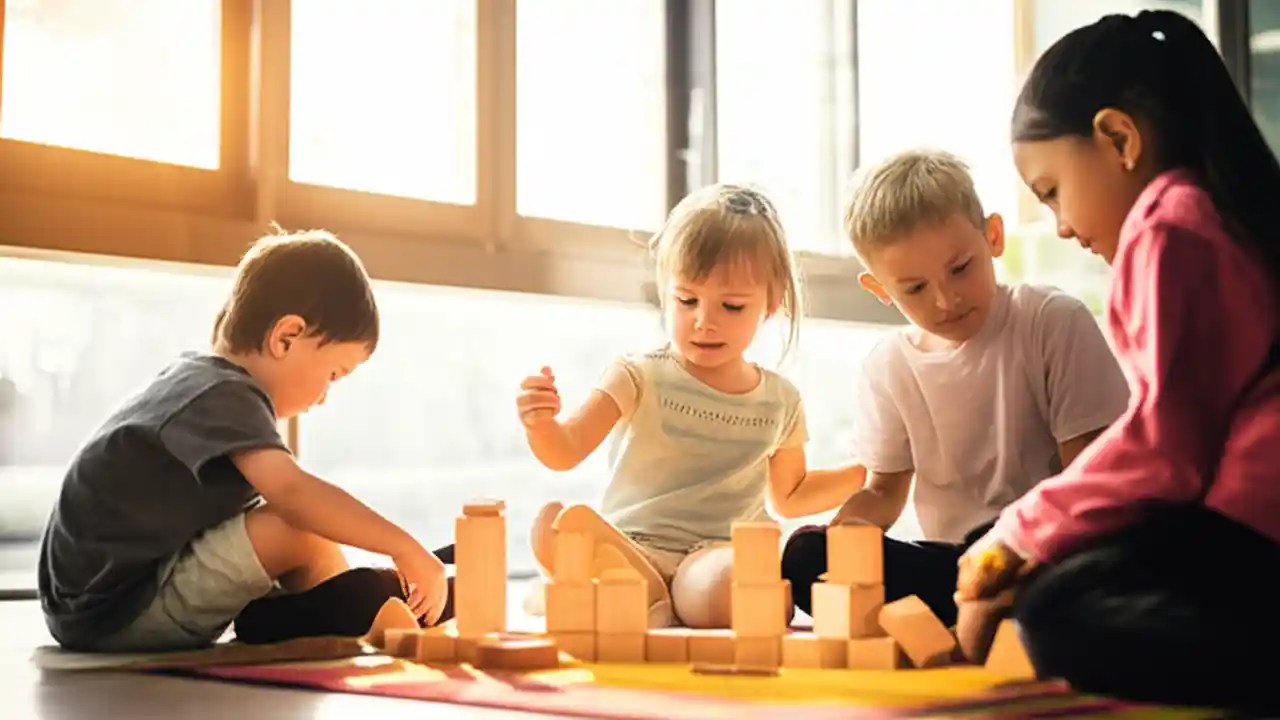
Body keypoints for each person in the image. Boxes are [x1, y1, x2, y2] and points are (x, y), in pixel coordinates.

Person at [957, 10, 1280, 713]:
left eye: (1051, 192)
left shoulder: (1172, 224)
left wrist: (1023, 529)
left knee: (1053, 611)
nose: (1062, 225)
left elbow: (1167, 450)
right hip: (1235, 517)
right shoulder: (1207, 211)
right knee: (1021, 553)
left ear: (1118, 137)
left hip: (1254, 529)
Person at [38, 230, 450, 652]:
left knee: (303, 522)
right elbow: (293, 493)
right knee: (300, 517)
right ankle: (363, 606)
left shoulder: (199, 383)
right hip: (118, 612)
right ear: (285, 337)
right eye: (333, 375)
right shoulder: (222, 393)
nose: (325, 397)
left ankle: (351, 603)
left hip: (102, 604)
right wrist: (405, 546)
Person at [782, 149, 1128, 626]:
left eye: (960, 268)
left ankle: (1000, 602)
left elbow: (1089, 473)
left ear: (993, 236)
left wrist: (1010, 544)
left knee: (1029, 551)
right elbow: (884, 491)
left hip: (1044, 549)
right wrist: (849, 538)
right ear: (880, 289)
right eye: (915, 289)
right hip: (951, 564)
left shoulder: (1050, 321)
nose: (946, 300)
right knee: (806, 555)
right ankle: (976, 604)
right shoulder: (889, 366)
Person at [516, 184, 865, 627]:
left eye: (732, 306)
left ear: (771, 306)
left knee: (745, 593)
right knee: (553, 524)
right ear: (665, 293)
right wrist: (541, 424)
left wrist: (866, 472)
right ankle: (642, 593)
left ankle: (640, 600)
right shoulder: (638, 375)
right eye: (687, 300)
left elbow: (791, 495)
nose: (704, 321)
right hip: (631, 545)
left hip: (718, 554)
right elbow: (565, 451)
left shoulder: (780, 400)